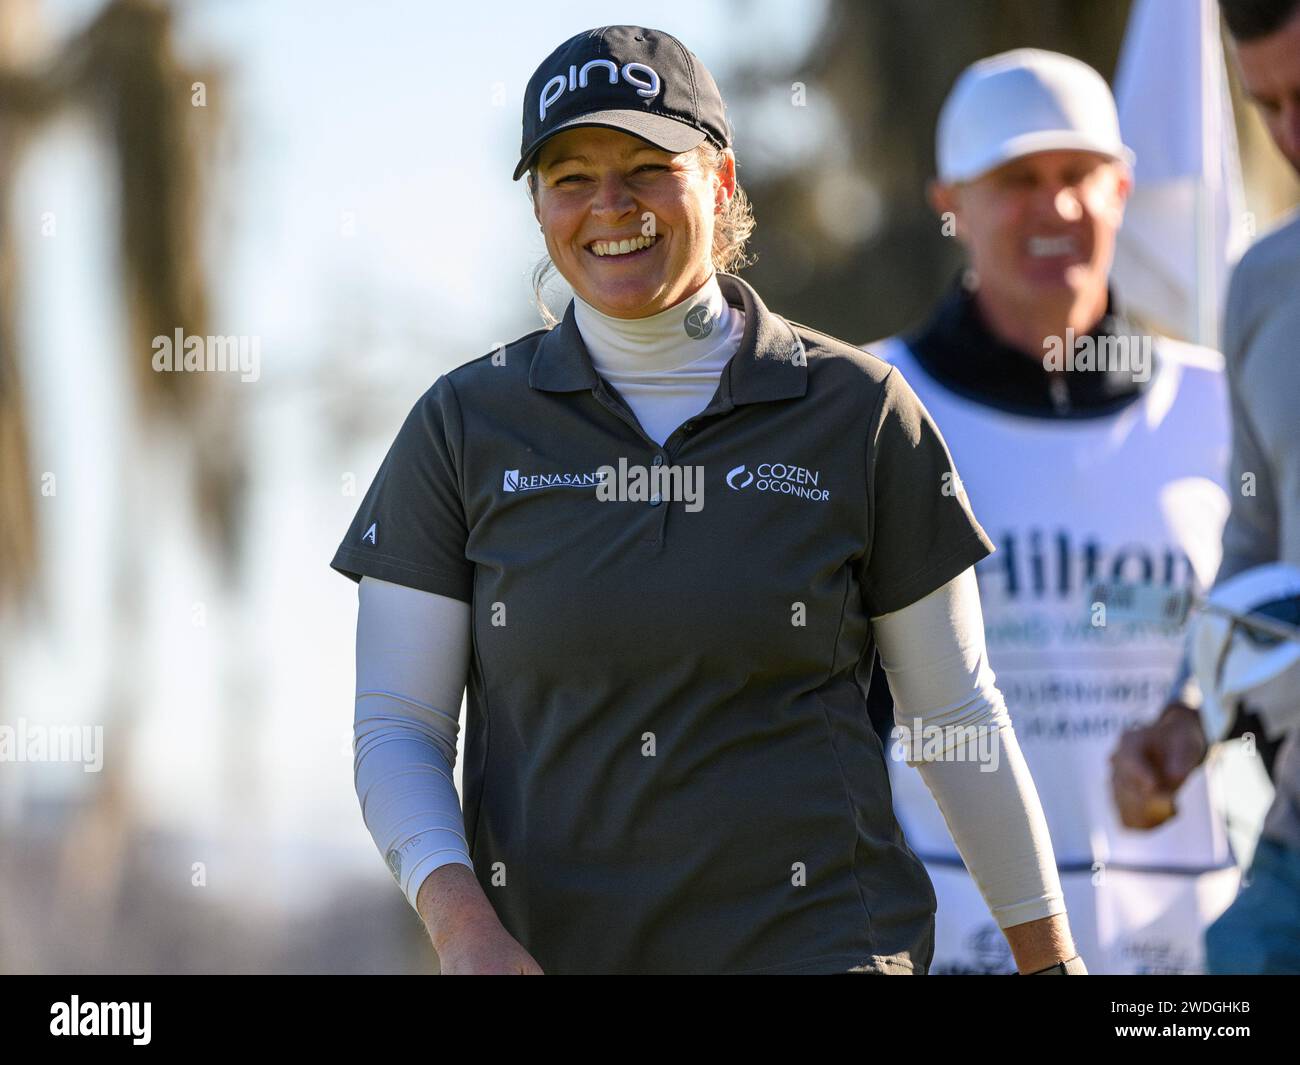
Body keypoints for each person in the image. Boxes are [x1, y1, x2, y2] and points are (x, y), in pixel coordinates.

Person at [330, 24, 1084, 975]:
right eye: (570, 176)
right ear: (537, 204)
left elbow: (958, 716)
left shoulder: (859, 411)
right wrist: (463, 927)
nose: (611, 205)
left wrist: (1052, 964)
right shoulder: (461, 426)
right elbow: (398, 728)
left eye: (648, 167)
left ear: (721, 181)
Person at [868, 49, 1239, 974]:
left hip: (1189, 950)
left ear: (1122, 188)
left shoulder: (1217, 405)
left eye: (1080, 176)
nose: (1058, 206)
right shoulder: (868, 405)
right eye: (1017, 180)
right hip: (950, 938)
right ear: (951, 201)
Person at [1110, 0, 1300, 974]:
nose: (1290, 136)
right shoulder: (1262, 284)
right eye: (1265, 104)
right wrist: (1193, 713)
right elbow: (1257, 548)